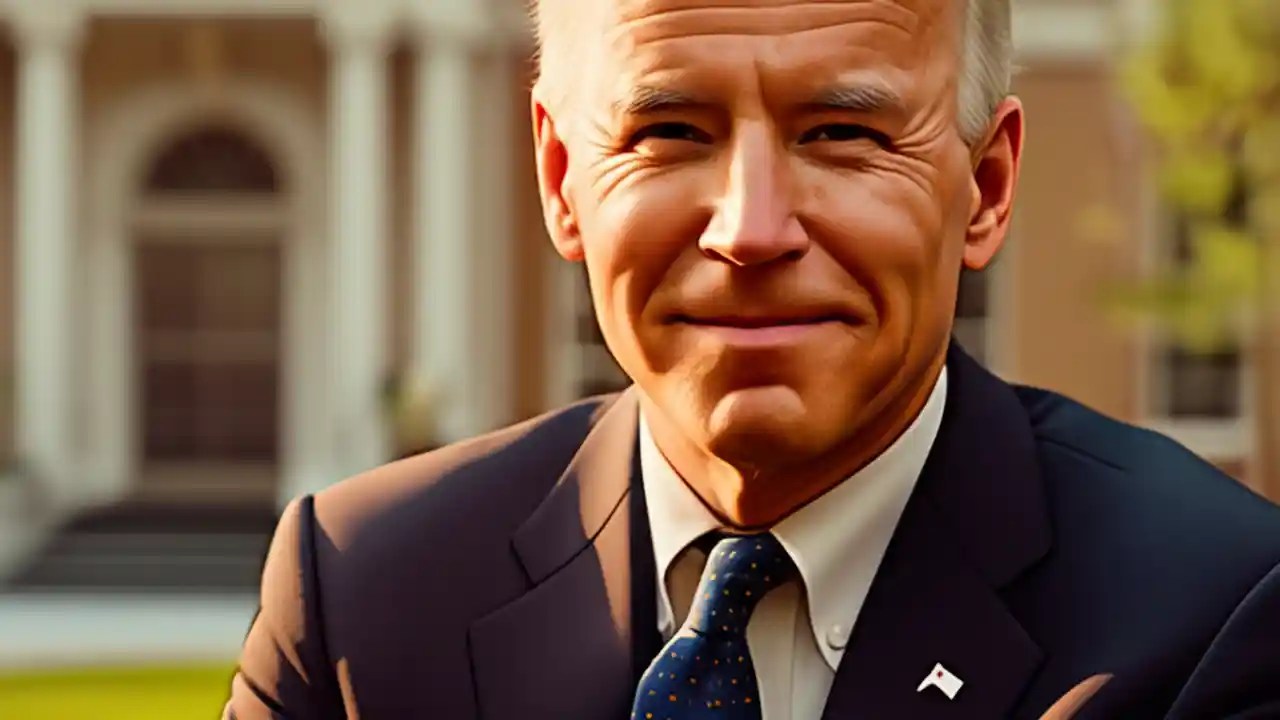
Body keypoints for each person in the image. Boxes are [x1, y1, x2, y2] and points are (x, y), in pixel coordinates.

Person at [224, 0, 1280, 717]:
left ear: (986, 185)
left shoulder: (1215, 619)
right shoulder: (361, 600)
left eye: (839, 134)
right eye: (671, 130)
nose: (750, 227)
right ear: (559, 178)